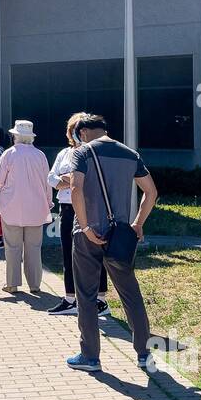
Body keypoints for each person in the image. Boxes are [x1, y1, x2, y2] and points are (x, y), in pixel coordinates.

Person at [66, 113, 157, 373]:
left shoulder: (82, 153)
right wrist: (138, 223)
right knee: (131, 294)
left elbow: (75, 189)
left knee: (86, 295)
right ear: (105, 130)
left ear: (82, 133)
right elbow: (151, 192)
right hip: (119, 236)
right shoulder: (130, 154)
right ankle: (143, 353)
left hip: (87, 235)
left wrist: (85, 227)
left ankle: (90, 357)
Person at [48, 113, 111, 317]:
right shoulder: (64, 153)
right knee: (69, 252)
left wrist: (69, 180)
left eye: (81, 129)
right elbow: (51, 177)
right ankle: (70, 298)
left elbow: (90, 180)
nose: (78, 133)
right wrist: (69, 181)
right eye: (74, 129)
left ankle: (100, 300)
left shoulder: (92, 152)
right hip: (67, 207)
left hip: (89, 206)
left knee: (95, 252)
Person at [0, 120, 53, 294]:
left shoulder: (9, 154)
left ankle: (12, 283)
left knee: (12, 247)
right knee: (34, 248)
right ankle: (35, 284)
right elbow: (47, 183)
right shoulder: (40, 155)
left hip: (11, 207)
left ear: (15, 136)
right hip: (36, 209)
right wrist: (48, 203)